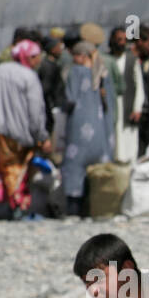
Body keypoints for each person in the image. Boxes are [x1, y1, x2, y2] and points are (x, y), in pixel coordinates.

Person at [0, 40, 50, 213]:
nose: (38, 61)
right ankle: (17, 207)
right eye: (35, 57)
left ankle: (5, 207)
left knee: (4, 169)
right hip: (20, 132)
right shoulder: (29, 76)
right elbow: (35, 109)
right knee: (17, 169)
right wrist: (41, 135)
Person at [60, 41, 113, 216]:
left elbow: (70, 98)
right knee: (96, 171)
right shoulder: (103, 73)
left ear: (82, 56)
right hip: (101, 129)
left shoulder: (75, 72)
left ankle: (74, 209)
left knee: (74, 167)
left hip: (79, 127)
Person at [105, 25, 145, 163]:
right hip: (112, 104)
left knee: (128, 137)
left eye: (124, 40)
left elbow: (139, 85)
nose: (122, 43)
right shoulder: (107, 59)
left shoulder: (132, 60)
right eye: (119, 39)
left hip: (128, 105)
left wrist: (137, 108)